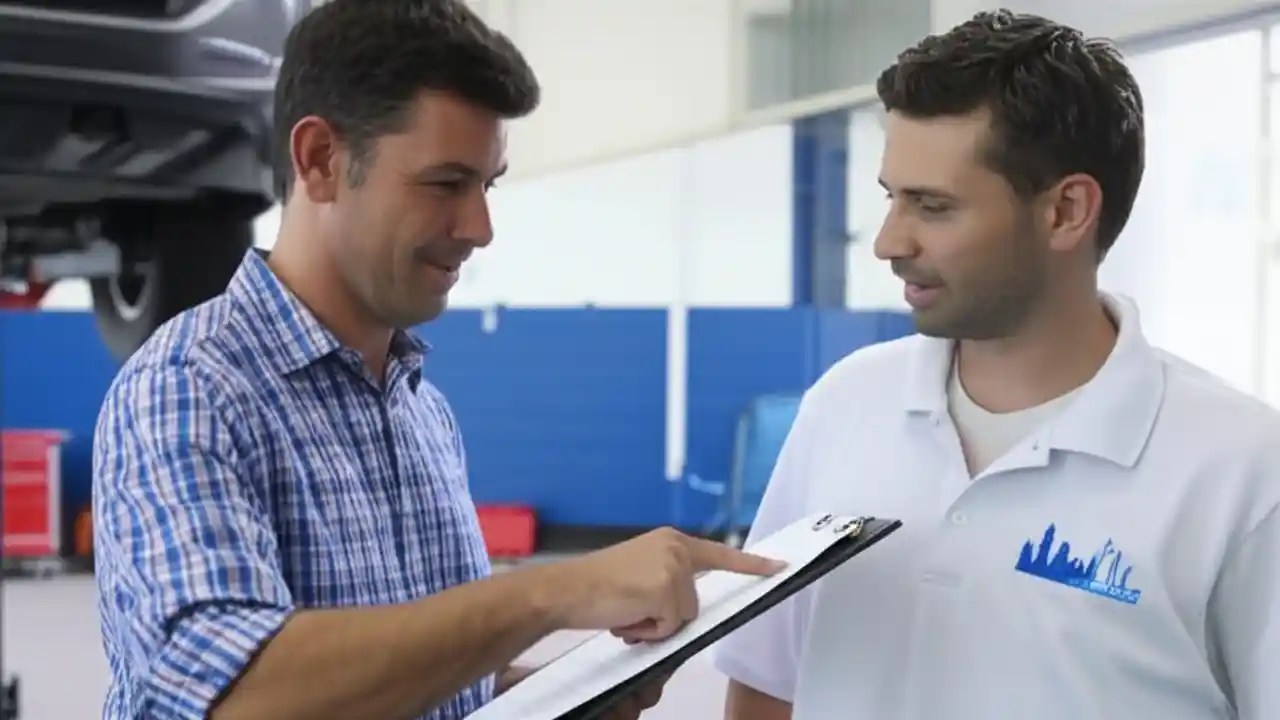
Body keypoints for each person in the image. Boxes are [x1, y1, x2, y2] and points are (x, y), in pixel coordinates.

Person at [90, 2, 783, 719]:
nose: (480, 227)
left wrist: (557, 694)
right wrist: (554, 592)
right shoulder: (187, 390)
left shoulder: (420, 408)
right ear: (320, 159)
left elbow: (413, 680)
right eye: (446, 184)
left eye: (489, 184)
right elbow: (236, 696)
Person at [714, 10, 1280, 720]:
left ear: (1067, 211)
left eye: (934, 206)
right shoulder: (844, 407)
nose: (889, 242)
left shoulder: (1244, 470)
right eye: (892, 198)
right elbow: (767, 687)